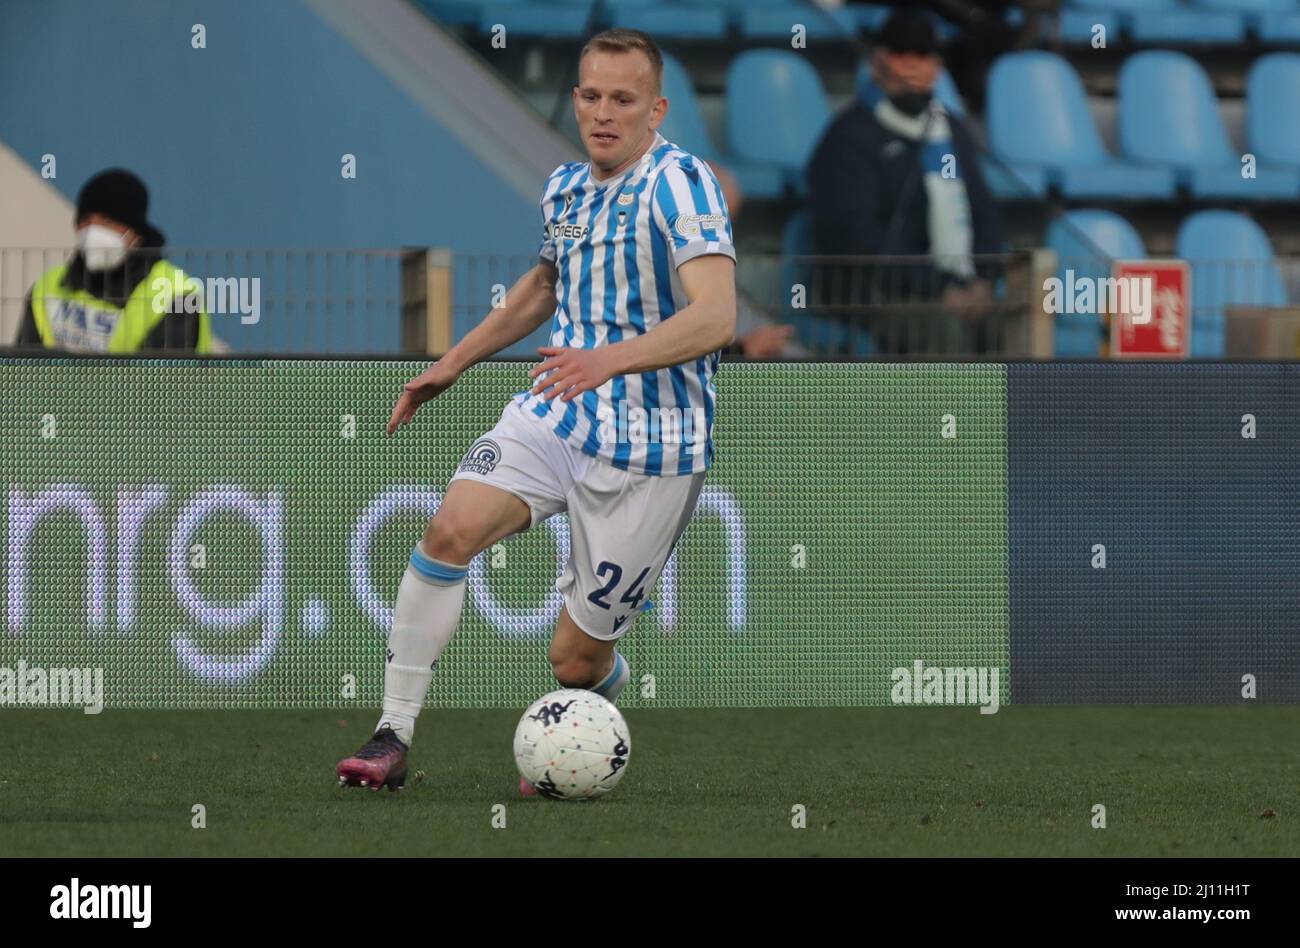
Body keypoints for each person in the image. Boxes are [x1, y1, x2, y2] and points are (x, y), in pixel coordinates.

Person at [336, 29, 737, 794]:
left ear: (655, 109)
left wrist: (607, 359)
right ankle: (391, 734)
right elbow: (547, 287)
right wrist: (449, 366)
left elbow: (716, 316)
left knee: (572, 663)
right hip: (558, 413)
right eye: (590, 95)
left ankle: (599, 681)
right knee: (449, 529)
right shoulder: (566, 187)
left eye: (623, 99)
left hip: (653, 451)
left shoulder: (682, 184)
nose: (603, 113)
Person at [806, 10, 1003, 353]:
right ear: (876, 63)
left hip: (958, 285)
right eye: (901, 55)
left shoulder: (950, 130)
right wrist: (938, 288)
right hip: (869, 294)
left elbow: (983, 212)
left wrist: (983, 280)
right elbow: (855, 238)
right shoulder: (848, 136)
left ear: (937, 67)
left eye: (923, 56)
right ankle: (947, 410)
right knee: (942, 332)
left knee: (1012, 324)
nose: (912, 66)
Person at [13, 168, 212, 352]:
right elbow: (24, 371)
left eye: (107, 221)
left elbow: (165, 383)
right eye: (86, 221)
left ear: (135, 233)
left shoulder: (176, 294)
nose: (93, 232)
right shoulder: (48, 287)